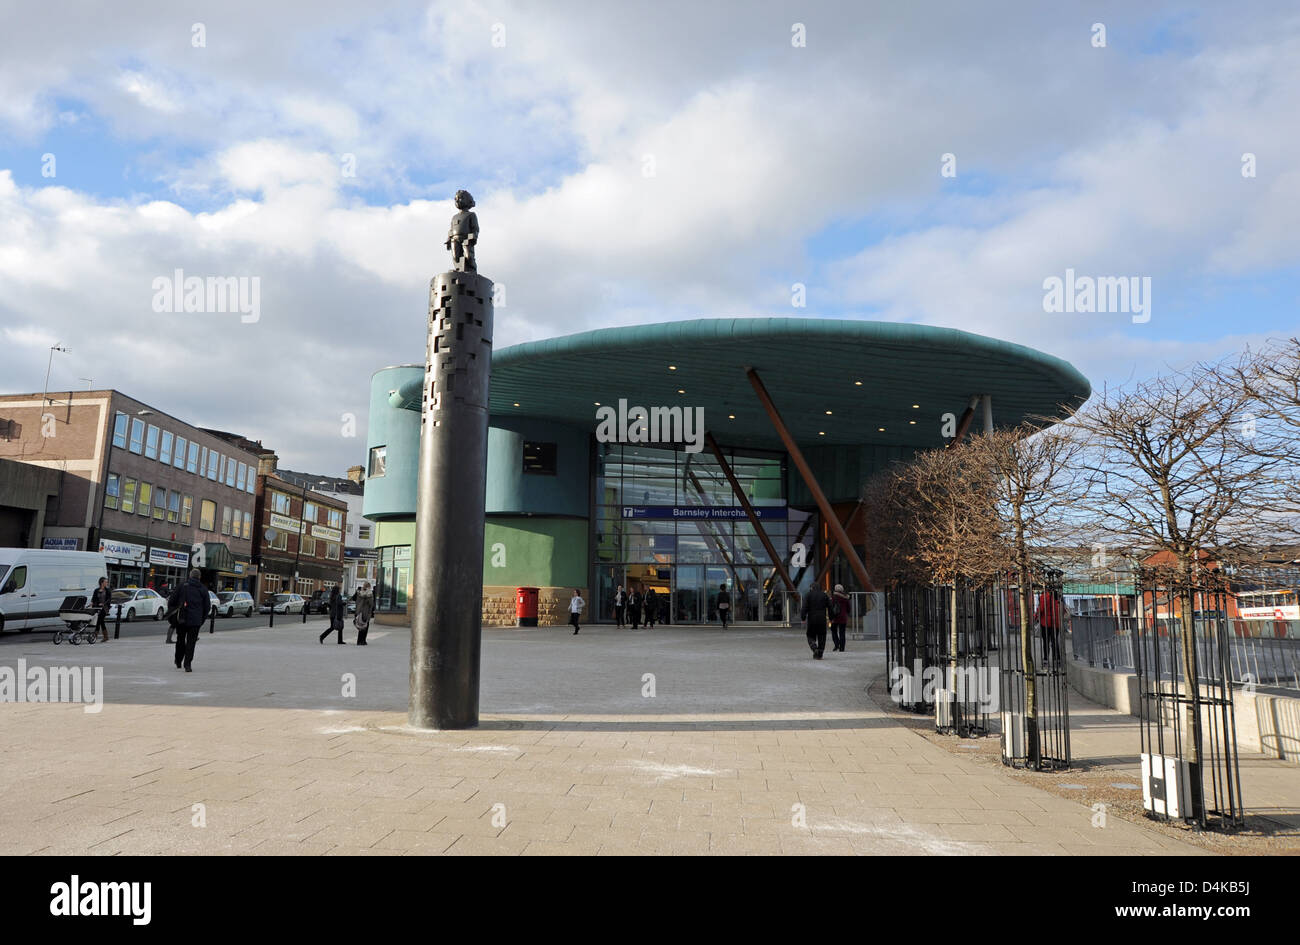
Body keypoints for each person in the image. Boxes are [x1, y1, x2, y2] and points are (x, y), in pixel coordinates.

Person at [169, 568, 209, 672]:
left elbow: (172, 601)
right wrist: (201, 620)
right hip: (196, 621)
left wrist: (174, 614)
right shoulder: (203, 589)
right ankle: (188, 664)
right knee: (191, 642)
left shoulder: (182, 586)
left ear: (190, 576)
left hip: (182, 618)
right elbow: (207, 607)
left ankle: (178, 660)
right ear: (199, 577)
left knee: (180, 640)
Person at [801, 584, 831, 659]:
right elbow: (830, 607)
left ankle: (814, 647)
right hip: (822, 619)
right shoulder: (824, 595)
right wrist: (831, 617)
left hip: (812, 619)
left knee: (810, 635)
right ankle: (820, 653)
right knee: (822, 636)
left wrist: (803, 617)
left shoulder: (808, 595)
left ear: (812, 588)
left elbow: (804, 607)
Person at [1035, 587, 1062, 664]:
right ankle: (1057, 658)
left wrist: (1036, 616)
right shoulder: (1058, 596)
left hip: (1046, 623)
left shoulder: (1044, 597)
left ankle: (1046, 658)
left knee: (1046, 641)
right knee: (1054, 641)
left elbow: (1041, 609)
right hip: (1056, 623)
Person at [829, 584, 851, 652]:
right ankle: (842, 648)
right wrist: (846, 613)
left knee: (833, 631)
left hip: (835, 617)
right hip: (843, 618)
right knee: (842, 633)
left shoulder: (833, 597)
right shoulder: (846, 598)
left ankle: (836, 644)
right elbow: (849, 608)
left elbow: (831, 608)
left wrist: (830, 618)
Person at [91, 577, 111, 643]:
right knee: (101, 621)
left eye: (107, 582)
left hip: (105, 608)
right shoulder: (96, 590)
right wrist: (92, 603)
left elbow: (109, 599)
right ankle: (106, 637)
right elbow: (93, 599)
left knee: (99, 619)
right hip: (97, 607)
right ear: (102, 583)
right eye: (105, 582)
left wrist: (103, 603)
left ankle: (95, 635)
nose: (106, 583)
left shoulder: (107, 590)